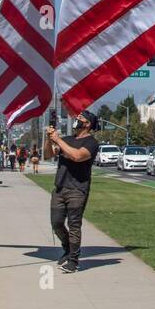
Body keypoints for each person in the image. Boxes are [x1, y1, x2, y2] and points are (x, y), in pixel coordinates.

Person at [46, 111, 100, 274]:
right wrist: (49, 140)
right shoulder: (67, 140)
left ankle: (73, 260)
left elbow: (77, 156)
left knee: (74, 225)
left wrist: (58, 140)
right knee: (56, 223)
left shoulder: (91, 142)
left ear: (88, 124)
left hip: (77, 189)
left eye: (80, 119)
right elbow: (48, 154)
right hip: (60, 187)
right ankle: (68, 247)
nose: (76, 120)